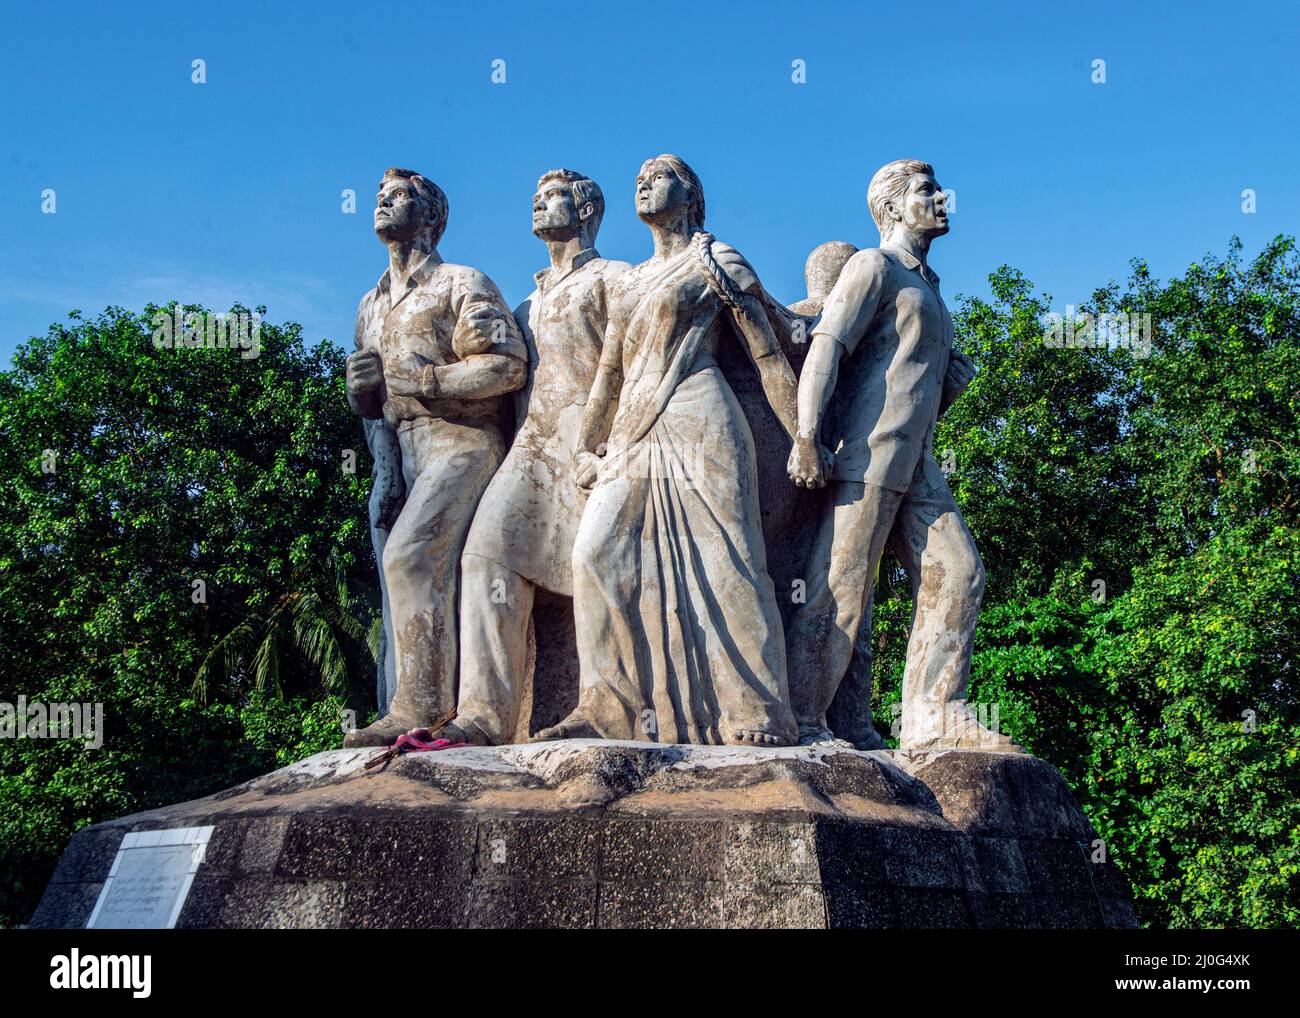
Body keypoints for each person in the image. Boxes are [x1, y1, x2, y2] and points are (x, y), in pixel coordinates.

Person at [535, 154, 801, 747]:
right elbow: (609, 370)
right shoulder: (627, 280)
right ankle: (605, 705)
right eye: (640, 176)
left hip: (699, 415)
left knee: (726, 558)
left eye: (660, 174)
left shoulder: (715, 259)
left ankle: (754, 708)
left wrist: (803, 436)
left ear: (692, 194)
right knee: (596, 554)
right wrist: (587, 444)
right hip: (633, 426)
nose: (644, 182)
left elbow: (766, 354)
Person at [784, 159, 1020, 752]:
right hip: (867, 456)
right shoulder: (873, 266)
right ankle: (804, 721)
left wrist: (949, 383)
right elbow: (826, 350)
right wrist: (807, 437)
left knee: (960, 573)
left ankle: (932, 717)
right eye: (926, 191)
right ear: (889, 208)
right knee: (840, 588)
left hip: (918, 462)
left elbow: (911, 381)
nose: (942, 198)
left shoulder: (929, 287)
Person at [439, 170, 629, 745]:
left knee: (600, 570)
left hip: (596, 446)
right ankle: (483, 715)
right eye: (535, 198)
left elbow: (641, 359)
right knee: (486, 557)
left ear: (587, 207)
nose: (537, 206)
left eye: (551, 197)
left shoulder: (614, 279)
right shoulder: (525, 301)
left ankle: (605, 706)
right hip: (531, 449)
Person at [343, 167, 527, 747]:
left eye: (397, 197)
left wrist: (429, 379)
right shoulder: (369, 305)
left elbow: (508, 366)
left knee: (410, 556)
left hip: (463, 442)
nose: (382, 203)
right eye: (378, 196)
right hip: (407, 451)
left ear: (430, 216)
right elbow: (373, 407)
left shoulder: (460, 282)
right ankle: (422, 698)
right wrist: (361, 391)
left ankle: (417, 706)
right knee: (412, 562)